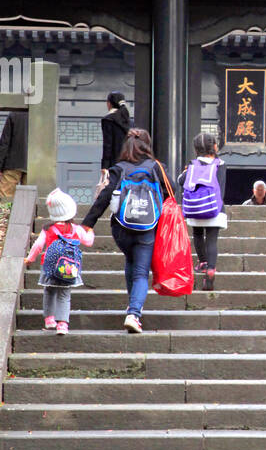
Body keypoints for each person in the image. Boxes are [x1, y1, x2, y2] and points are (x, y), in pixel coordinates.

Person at [81, 128, 172, 333]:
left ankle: (133, 306)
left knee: (131, 261)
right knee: (141, 272)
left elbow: (104, 197)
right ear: (147, 145)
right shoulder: (157, 167)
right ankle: (134, 313)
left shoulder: (119, 168)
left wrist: (87, 224)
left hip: (121, 228)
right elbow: (172, 191)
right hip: (147, 227)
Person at [25, 187, 94, 335]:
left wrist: (30, 259)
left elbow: (38, 245)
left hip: (49, 266)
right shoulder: (76, 229)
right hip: (69, 267)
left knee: (49, 291)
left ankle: (49, 319)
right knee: (64, 294)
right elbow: (88, 242)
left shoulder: (47, 229)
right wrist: (91, 232)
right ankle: (62, 324)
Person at [177, 133, 226, 291]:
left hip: (196, 207)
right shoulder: (221, 164)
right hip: (214, 207)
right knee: (212, 239)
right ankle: (211, 269)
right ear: (214, 147)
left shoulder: (192, 165)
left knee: (198, 234)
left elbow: (180, 181)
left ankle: (203, 262)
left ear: (196, 149)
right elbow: (222, 186)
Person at [98, 92, 131, 188]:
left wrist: (105, 166)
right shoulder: (129, 121)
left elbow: (108, 144)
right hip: (129, 163)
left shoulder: (108, 120)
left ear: (109, 103)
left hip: (114, 163)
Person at [0, 108, 27, 202]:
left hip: (12, 164)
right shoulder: (41, 115)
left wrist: (0, 166)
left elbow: (4, 143)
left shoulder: (14, 114)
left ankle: (5, 216)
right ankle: (26, 216)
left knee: (6, 197)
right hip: (34, 164)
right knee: (28, 199)